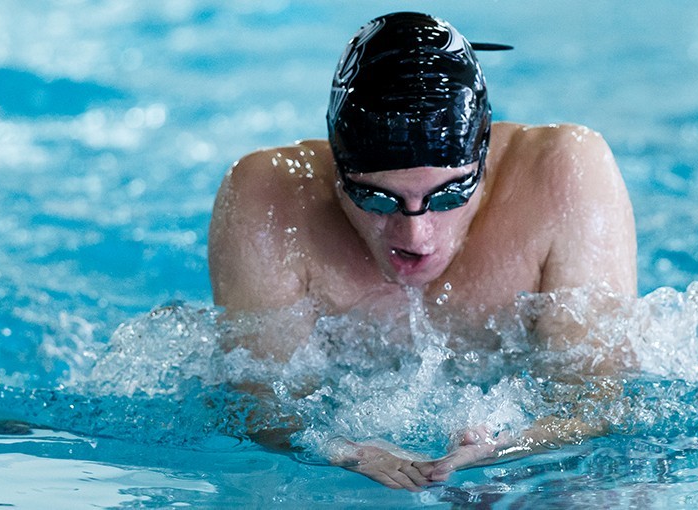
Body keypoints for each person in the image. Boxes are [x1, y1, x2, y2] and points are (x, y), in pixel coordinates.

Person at [208, 11, 637, 491]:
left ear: (484, 157)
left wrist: (515, 445)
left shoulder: (563, 175)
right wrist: (334, 446)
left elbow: (596, 397)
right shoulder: (268, 198)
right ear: (336, 171)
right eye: (376, 198)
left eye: (450, 195)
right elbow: (259, 401)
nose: (416, 238)